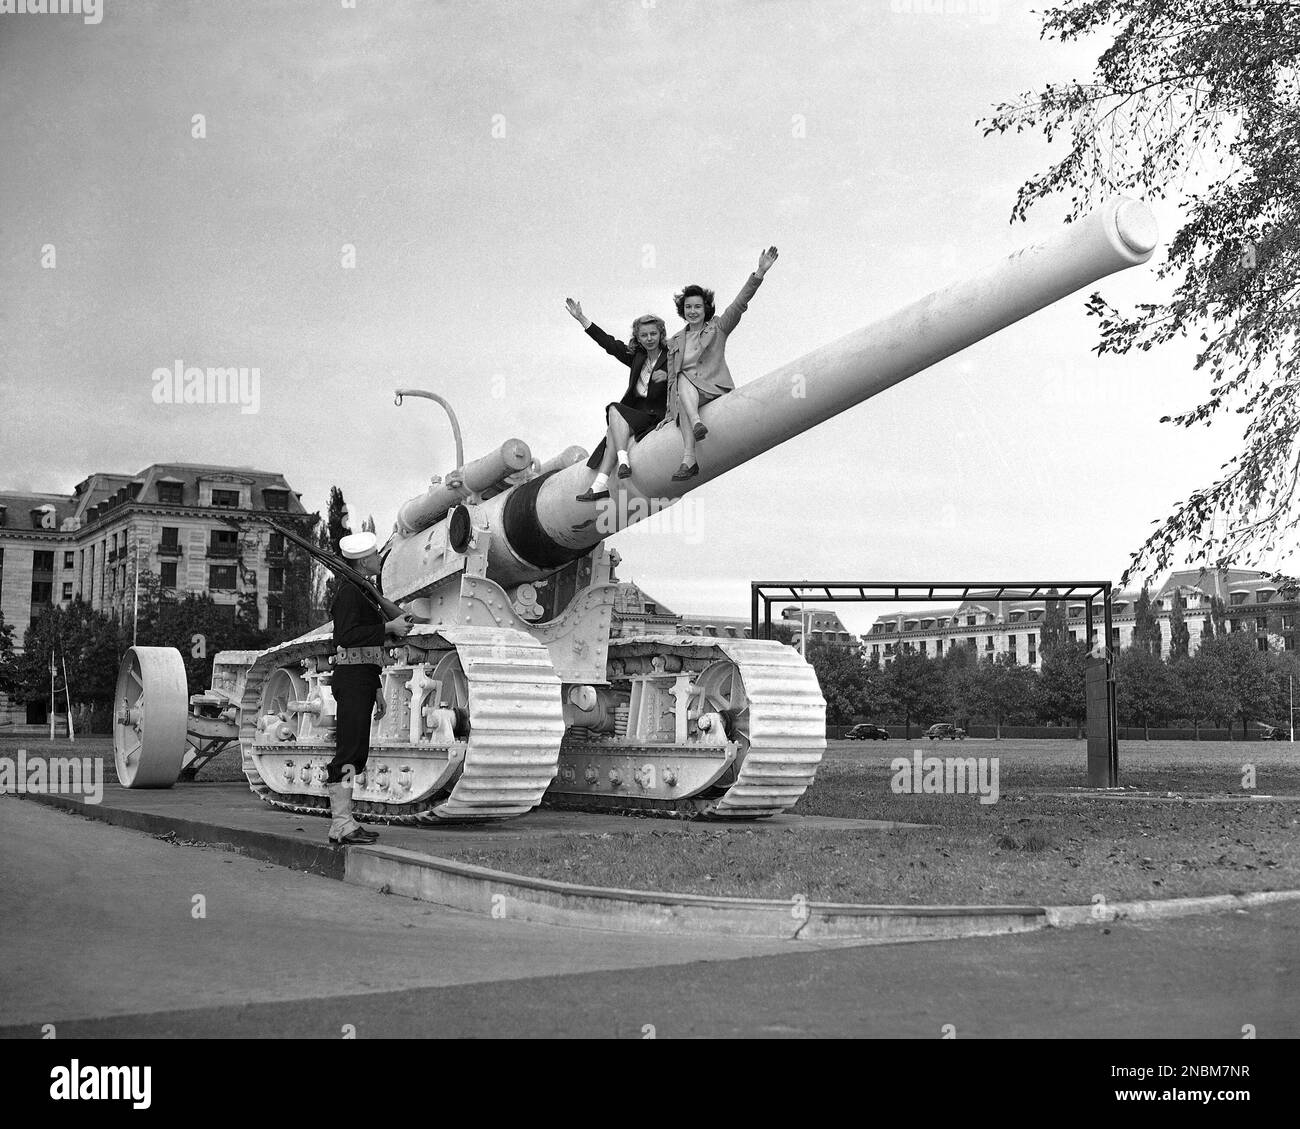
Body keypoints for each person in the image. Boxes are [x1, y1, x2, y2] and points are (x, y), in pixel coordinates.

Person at [325, 531, 413, 846]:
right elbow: (347, 637)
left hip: (361, 678)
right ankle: (341, 824)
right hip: (351, 680)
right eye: (375, 555)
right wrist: (388, 627)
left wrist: (376, 686)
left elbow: (364, 649)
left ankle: (346, 821)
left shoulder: (362, 590)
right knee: (349, 751)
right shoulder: (350, 593)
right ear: (363, 560)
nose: (379, 559)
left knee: (356, 751)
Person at [666, 246, 779, 480]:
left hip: (713, 388)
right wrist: (668, 414)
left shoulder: (718, 327)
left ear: (705, 308)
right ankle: (690, 457)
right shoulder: (675, 341)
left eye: (697, 306)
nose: (693, 311)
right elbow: (670, 379)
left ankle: (693, 437)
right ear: (682, 310)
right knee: (680, 383)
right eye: (688, 307)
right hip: (687, 396)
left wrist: (759, 273)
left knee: (683, 381)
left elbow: (739, 305)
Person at [564, 299, 670, 501]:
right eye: (644, 335)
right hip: (637, 414)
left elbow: (684, 374)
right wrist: (582, 319)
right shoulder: (637, 357)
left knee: (613, 411)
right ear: (638, 338)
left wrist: (667, 377)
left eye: (653, 334)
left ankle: (622, 463)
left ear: (661, 335)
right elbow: (610, 345)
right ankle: (598, 486)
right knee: (613, 426)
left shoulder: (670, 357)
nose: (649, 339)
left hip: (656, 416)